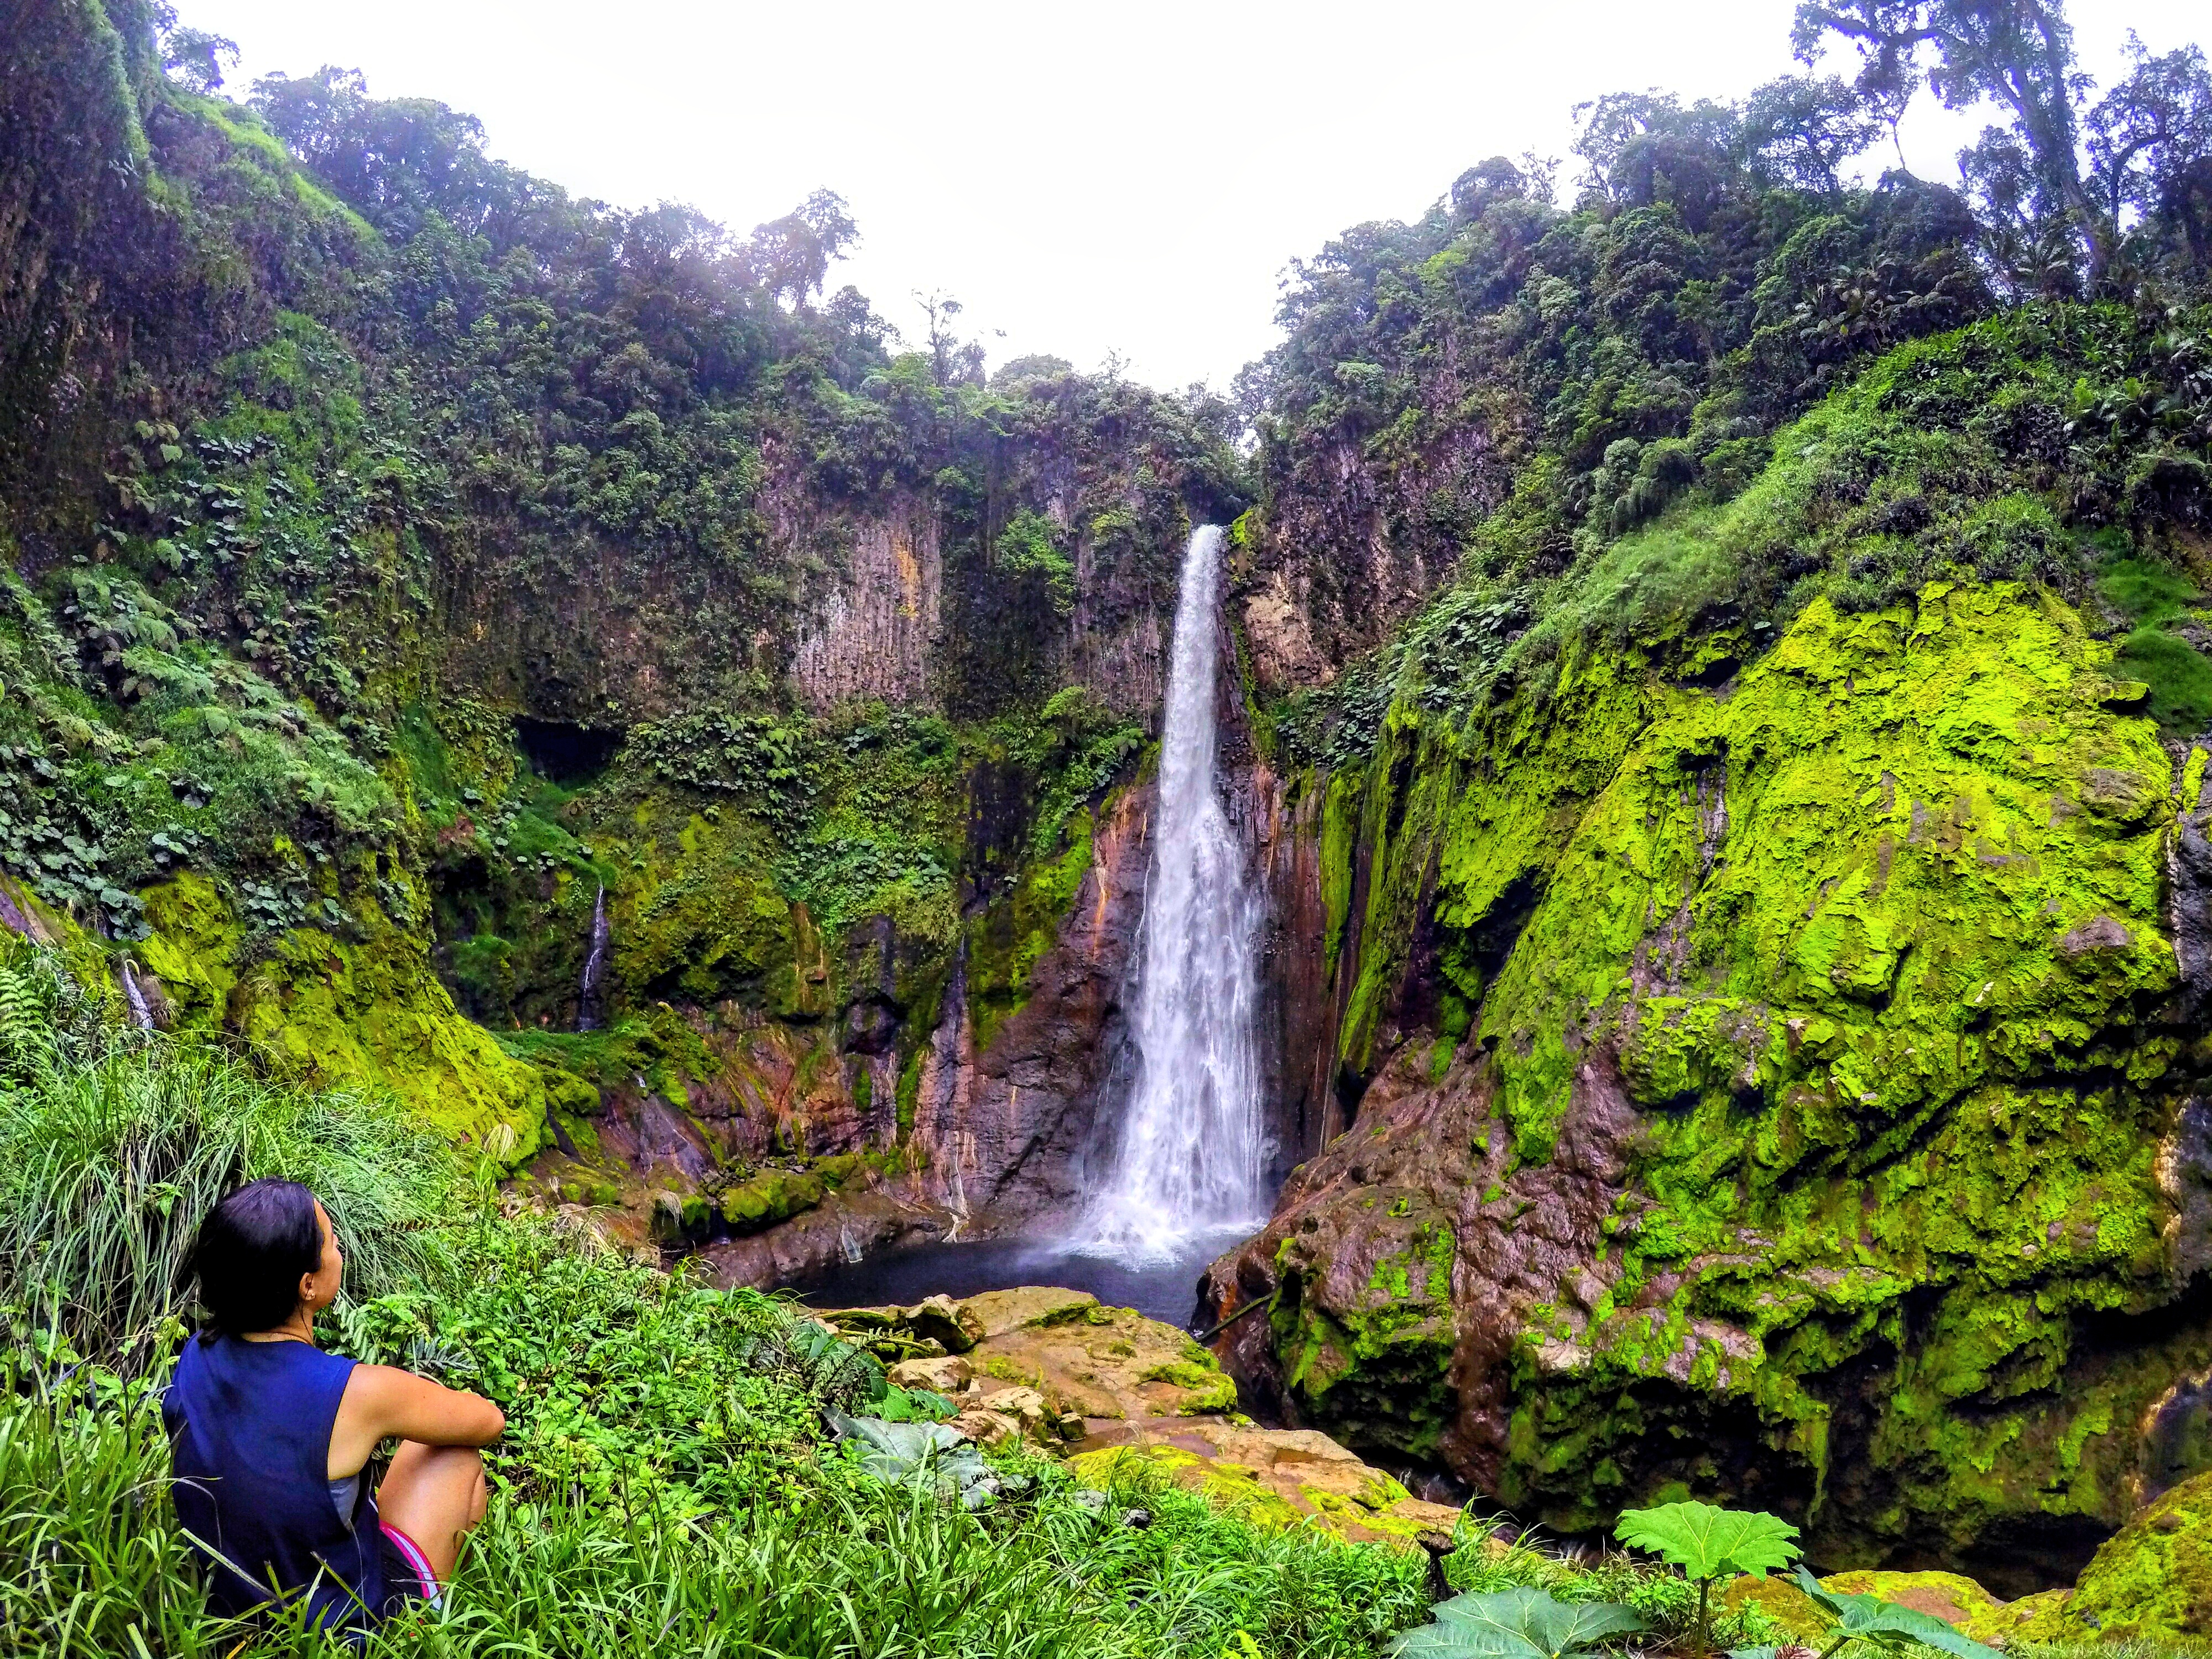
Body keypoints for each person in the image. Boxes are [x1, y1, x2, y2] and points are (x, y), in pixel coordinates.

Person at [163, 1179, 506, 1632]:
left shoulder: (193, 1358)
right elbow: (488, 1422)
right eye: (330, 1240)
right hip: (340, 1631)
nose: (339, 1242)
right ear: (307, 1285)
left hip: (231, 1614)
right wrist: (406, 1400)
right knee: (454, 1455)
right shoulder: (354, 1392)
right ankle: (422, 1628)